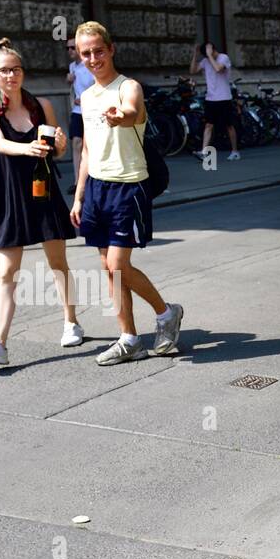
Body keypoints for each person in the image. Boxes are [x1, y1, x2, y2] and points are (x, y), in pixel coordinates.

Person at [69, 21, 184, 365]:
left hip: (128, 185)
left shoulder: (128, 87)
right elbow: (87, 150)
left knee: (118, 265)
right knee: (108, 268)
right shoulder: (86, 97)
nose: (93, 59)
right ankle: (129, 339)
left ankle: (166, 313)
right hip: (97, 189)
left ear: (111, 49)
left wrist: (121, 116)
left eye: (98, 51)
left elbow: (133, 112)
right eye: (86, 53)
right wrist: (79, 196)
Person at [0, 38, 80, 366]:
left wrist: (60, 144)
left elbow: (56, 151)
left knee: (58, 263)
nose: (11, 75)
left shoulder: (41, 106)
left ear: (23, 72)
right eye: (4, 71)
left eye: (16, 69)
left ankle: (71, 322)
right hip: (12, 197)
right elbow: (0, 144)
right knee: (7, 272)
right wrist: (28, 148)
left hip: (43, 191)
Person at [191, 41, 239, 161]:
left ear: (212, 49)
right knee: (208, 125)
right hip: (211, 98)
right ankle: (204, 152)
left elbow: (218, 69)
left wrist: (210, 55)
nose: (207, 56)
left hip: (224, 98)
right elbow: (193, 71)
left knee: (229, 125)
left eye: (208, 52)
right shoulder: (206, 60)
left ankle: (235, 151)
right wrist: (195, 54)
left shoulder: (224, 58)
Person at [65, 36, 95, 194]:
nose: (69, 51)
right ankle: (77, 182)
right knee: (76, 143)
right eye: (67, 48)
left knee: (91, 145)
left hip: (92, 111)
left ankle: (92, 179)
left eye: (72, 48)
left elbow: (99, 86)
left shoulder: (90, 65)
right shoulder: (72, 67)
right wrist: (69, 80)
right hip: (77, 111)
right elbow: (74, 86)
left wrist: (85, 99)